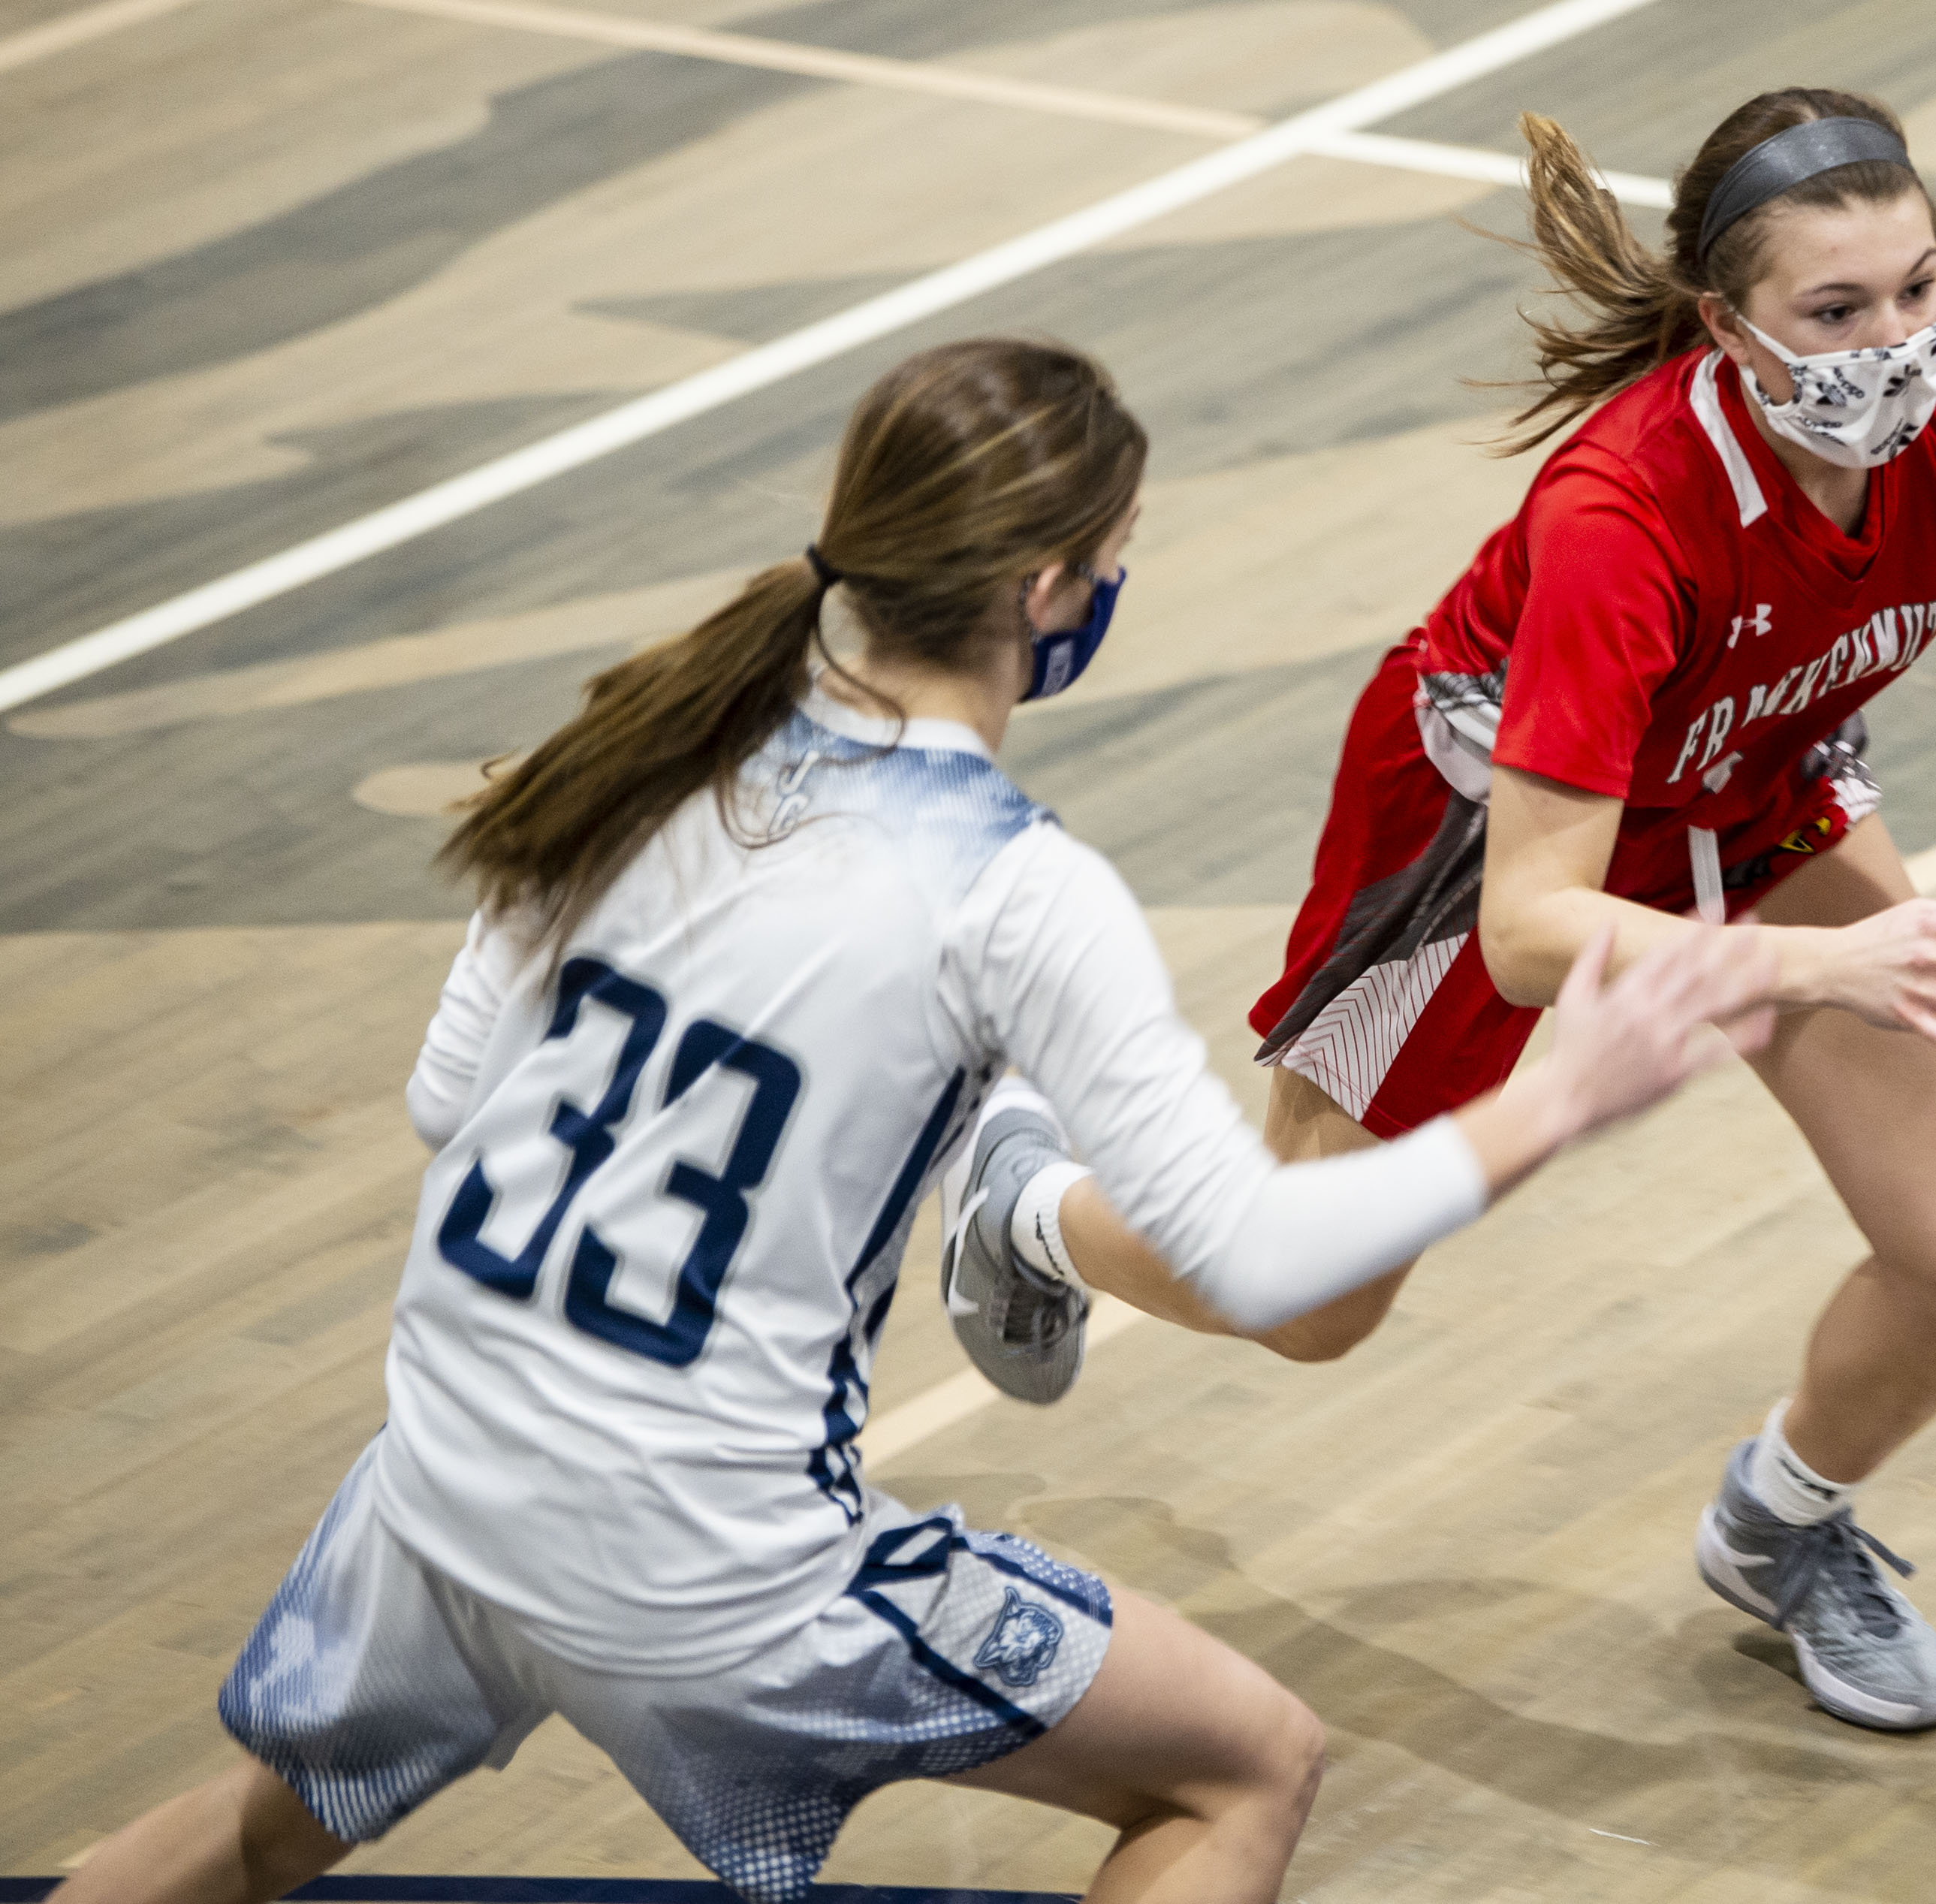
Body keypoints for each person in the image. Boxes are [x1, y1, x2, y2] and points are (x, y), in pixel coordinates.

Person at [57, 339, 1776, 1904]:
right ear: (1047, 589)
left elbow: (451, 1100)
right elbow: (1254, 1258)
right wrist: (1558, 1094)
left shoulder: (633, 747)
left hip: (440, 1473)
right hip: (709, 1569)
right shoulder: (1010, 884)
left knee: (265, 1818)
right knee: (1246, 1765)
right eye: (1112, 557)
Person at [942, 93, 1936, 1734]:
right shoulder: (1624, 511)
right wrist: (1819, 959)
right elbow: (1530, 922)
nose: (1900, 341)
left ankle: (1779, 1528)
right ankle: (1027, 1202)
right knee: (1307, 1299)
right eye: (1837, 310)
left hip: (1750, 779)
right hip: (1479, 828)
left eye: (1921, 288)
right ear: (1725, 327)